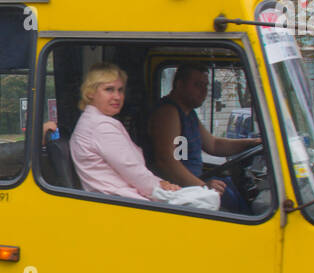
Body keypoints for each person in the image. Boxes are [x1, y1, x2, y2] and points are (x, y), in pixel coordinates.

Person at [148, 63, 260, 212]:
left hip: (194, 184)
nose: (204, 91)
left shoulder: (189, 113)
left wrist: (252, 143)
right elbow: (166, 161)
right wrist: (203, 188)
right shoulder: (168, 111)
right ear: (180, 84)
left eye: (206, 85)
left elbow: (213, 145)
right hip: (179, 190)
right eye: (197, 85)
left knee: (229, 186)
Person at [68, 63, 178, 200]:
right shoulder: (100, 126)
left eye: (120, 90)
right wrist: (165, 189)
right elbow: (132, 171)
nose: (117, 97)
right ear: (90, 93)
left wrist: (161, 183)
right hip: (120, 202)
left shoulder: (92, 121)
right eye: (109, 90)